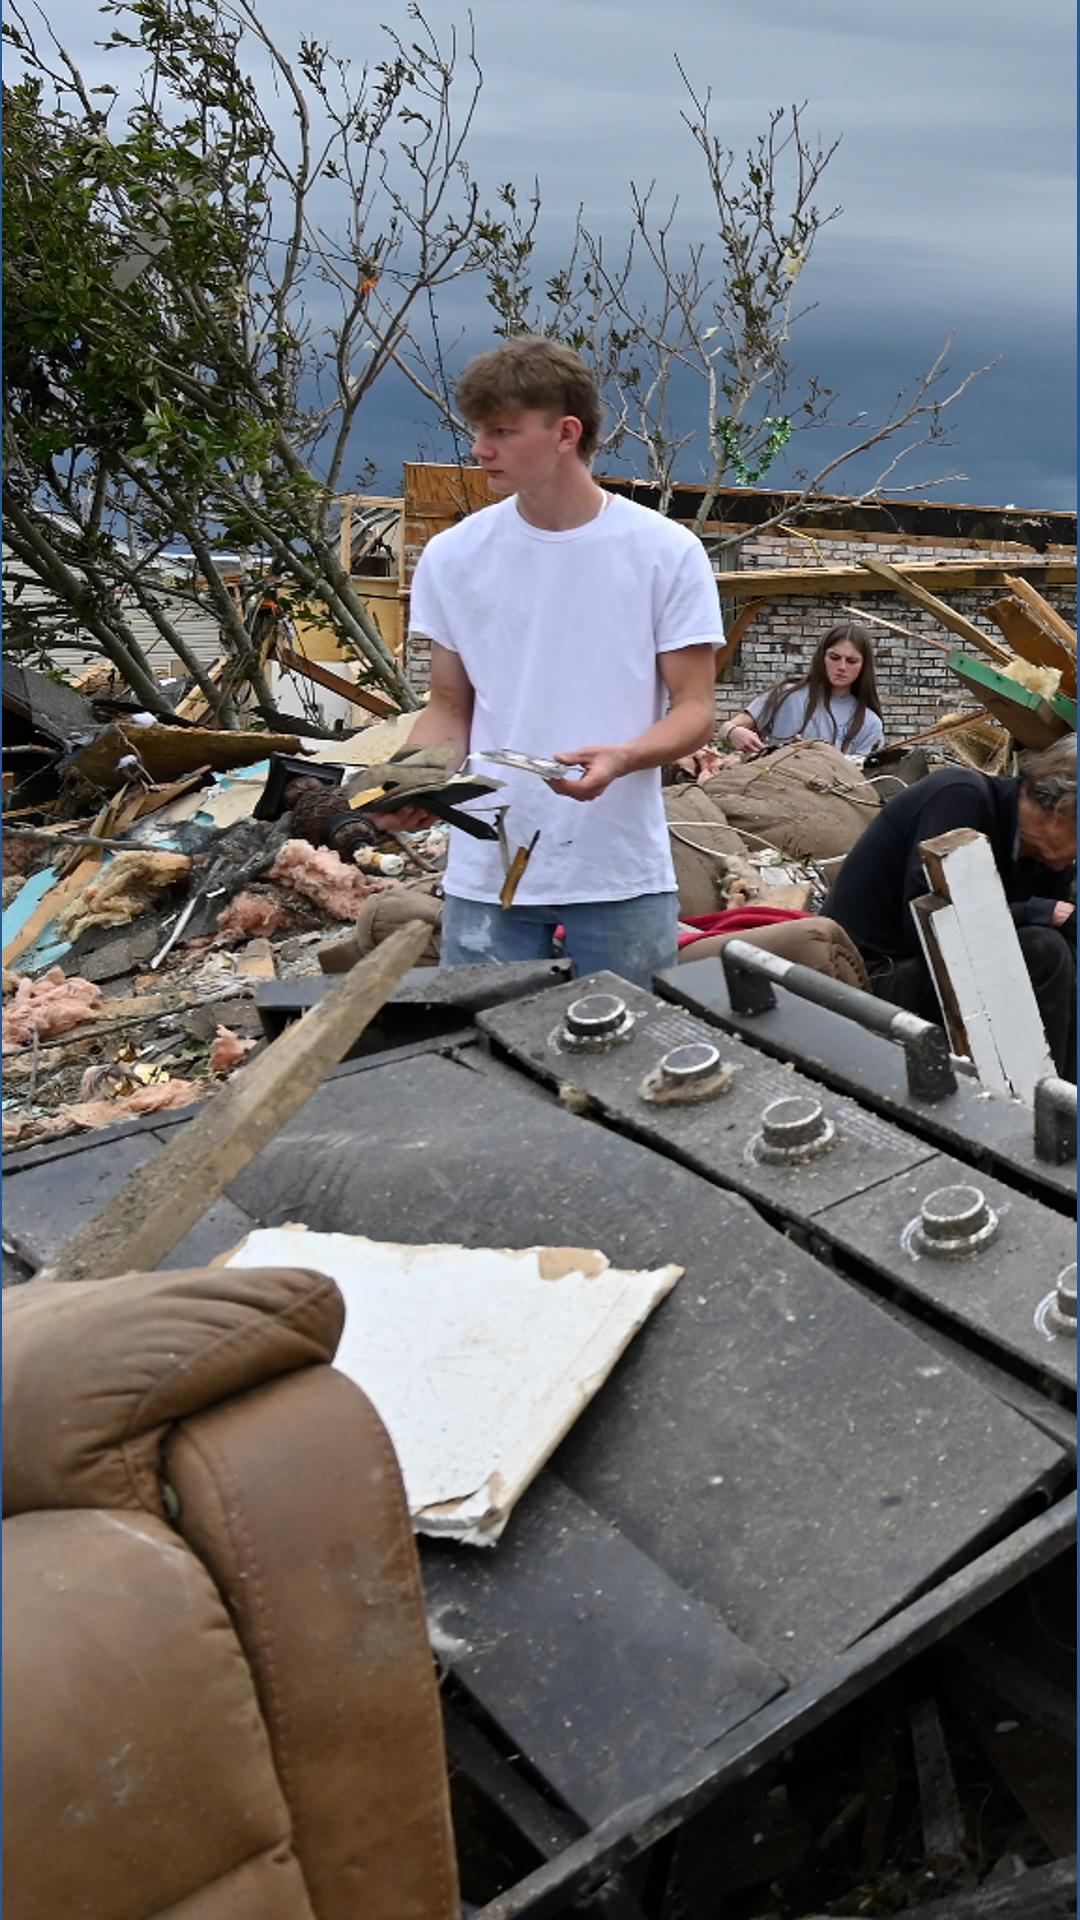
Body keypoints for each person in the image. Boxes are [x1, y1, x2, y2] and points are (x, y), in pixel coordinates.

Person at [385, 336, 723, 987]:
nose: (481, 449)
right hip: (489, 875)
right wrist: (414, 779)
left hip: (618, 872)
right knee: (488, 1067)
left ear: (566, 432)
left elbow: (695, 711)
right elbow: (450, 706)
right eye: (478, 431)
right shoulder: (454, 558)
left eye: (504, 432)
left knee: (629, 1066)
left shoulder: (663, 552)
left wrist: (622, 758)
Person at [824, 734, 1077, 1079]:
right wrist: (1034, 912)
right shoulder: (959, 797)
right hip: (872, 976)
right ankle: (1043, 1110)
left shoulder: (1048, 858)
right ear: (1062, 812)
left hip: (935, 974)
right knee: (1042, 951)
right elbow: (925, 930)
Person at [718, 622, 885, 758]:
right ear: (822, 657)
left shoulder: (869, 723)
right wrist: (734, 731)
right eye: (834, 657)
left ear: (863, 666)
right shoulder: (787, 695)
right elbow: (726, 728)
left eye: (851, 661)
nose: (841, 667)